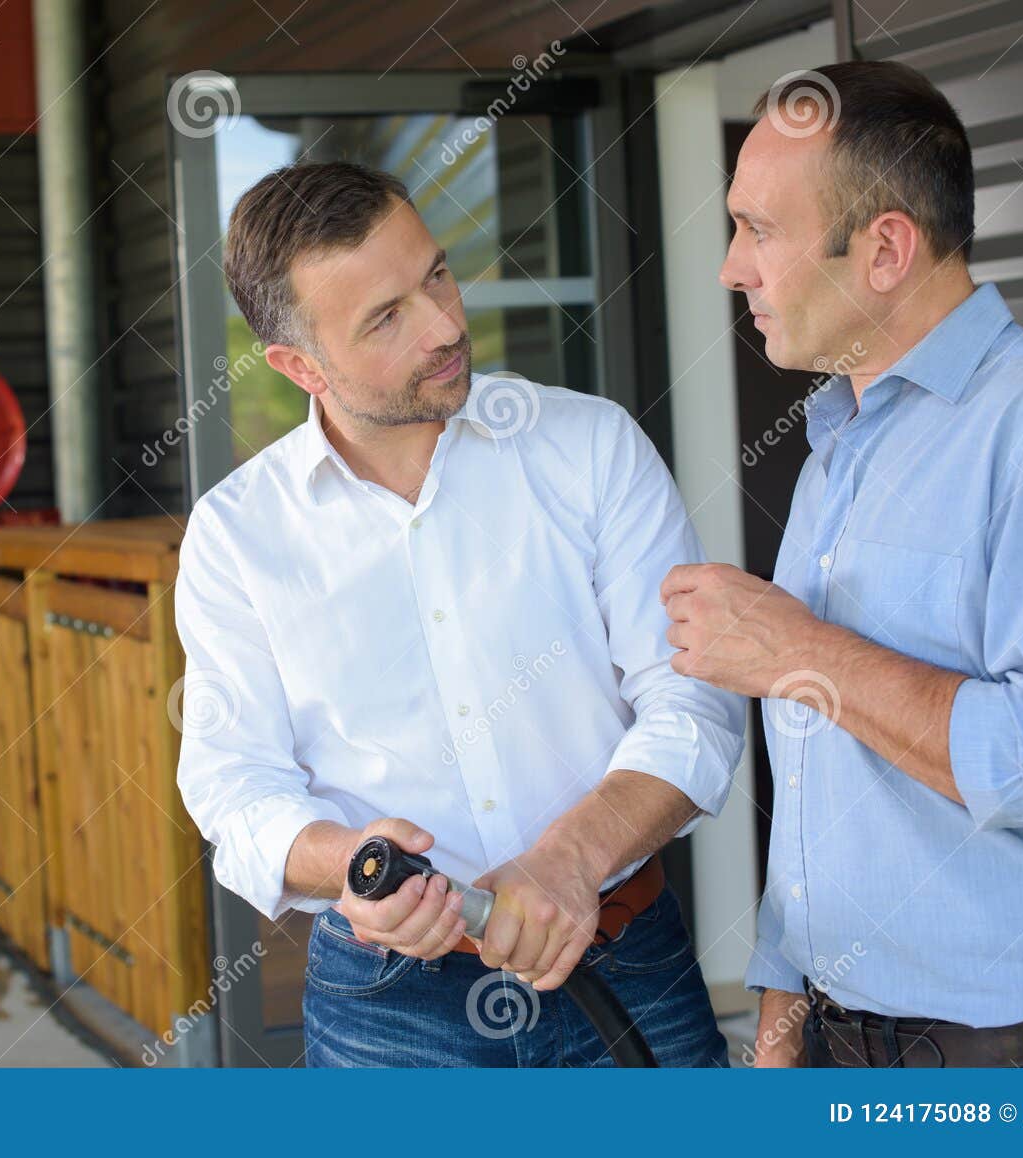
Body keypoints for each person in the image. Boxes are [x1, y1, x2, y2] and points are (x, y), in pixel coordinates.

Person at [174, 160, 743, 1066]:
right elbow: (231, 784)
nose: (444, 326)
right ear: (297, 366)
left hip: (627, 959)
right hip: (388, 1014)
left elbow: (697, 702)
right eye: (385, 318)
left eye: (435, 274)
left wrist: (569, 860)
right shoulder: (237, 535)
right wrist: (346, 864)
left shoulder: (590, 447)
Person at [665, 60, 1023, 1066]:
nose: (730, 267)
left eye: (759, 229)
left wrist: (801, 651)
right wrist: (781, 1014)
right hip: (841, 1040)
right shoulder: (841, 436)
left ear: (886, 248)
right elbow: (826, 788)